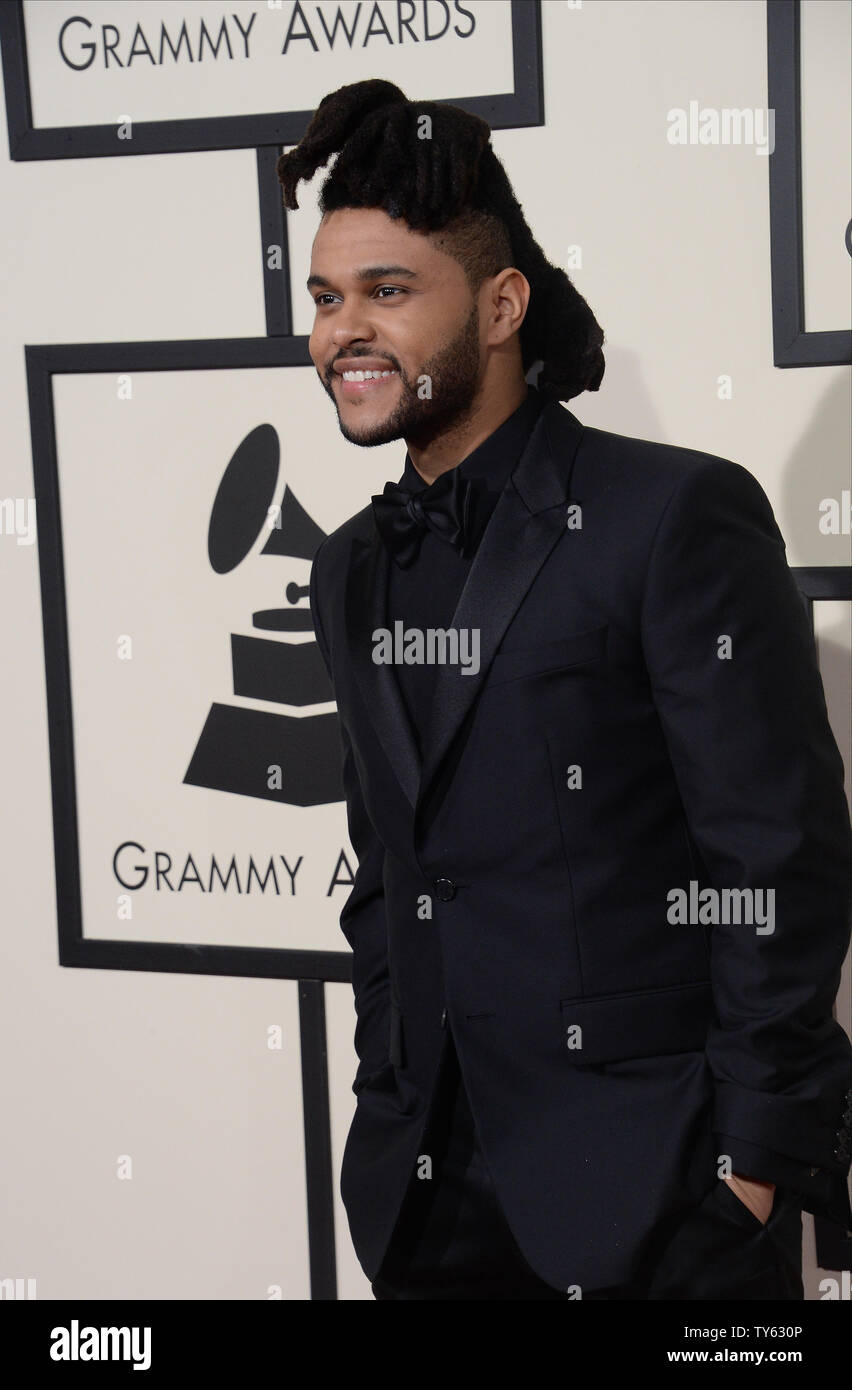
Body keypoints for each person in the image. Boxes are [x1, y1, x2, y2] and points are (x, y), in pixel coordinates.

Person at [278, 79, 852, 1299]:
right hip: (426, 1204)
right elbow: (388, 872)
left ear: (500, 305)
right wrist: (387, 1089)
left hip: (661, 1201)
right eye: (327, 298)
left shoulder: (670, 516)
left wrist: (750, 1163)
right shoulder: (346, 569)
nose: (344, 331)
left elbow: (774, 858)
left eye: (387, 291)